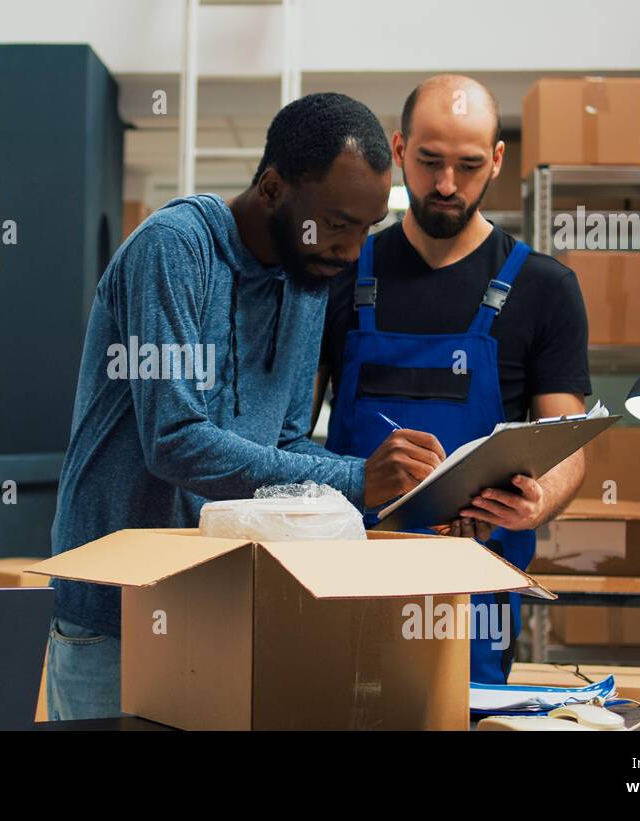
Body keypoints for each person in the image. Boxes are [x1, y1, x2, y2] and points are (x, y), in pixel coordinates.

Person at [48, 92, 447, 720]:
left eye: (368, 228)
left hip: (225, 606)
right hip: (117, 613)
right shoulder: (174, 249)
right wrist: (354, 479)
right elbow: (174, 439)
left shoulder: (308, 277)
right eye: (339, 223)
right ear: (271, 187)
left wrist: (399, 494)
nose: (350, 251)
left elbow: (285, 443)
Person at [317, 75, 591, 683]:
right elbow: (285, 434)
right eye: (429, 161)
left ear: (496, 160)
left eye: (467, 166)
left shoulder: (544, 289)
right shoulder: (338, 275)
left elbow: (565, 438)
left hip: (474, 586)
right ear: (397, 150)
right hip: (346, 575)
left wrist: (539, 499)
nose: (446, 185)